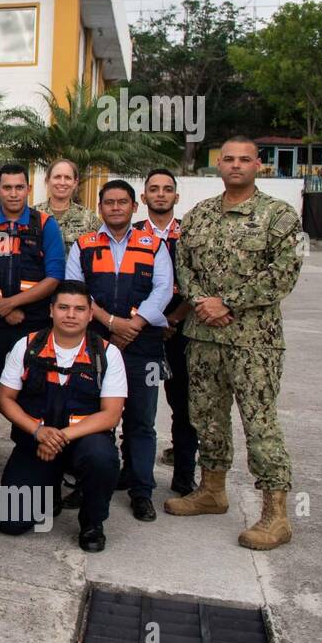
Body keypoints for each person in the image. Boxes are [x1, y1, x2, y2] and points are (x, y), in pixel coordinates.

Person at [165, 136, 302, 551]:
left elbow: (285, 272)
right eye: (229, 159)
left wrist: (227, 302)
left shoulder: (279, 216)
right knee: (207, 417)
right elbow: (182, 264)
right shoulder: (200, 215)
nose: (236, 165)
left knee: (260, 424)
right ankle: (212, 490)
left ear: (258, 165)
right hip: (204, 338)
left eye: (245, 159)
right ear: (218, 165)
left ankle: (276, 514)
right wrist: (202, 304)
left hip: (253, 342)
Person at [66, 179, 172, 522]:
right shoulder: (83, 245)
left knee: (142, 420)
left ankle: (142, 491)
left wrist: (135, 324)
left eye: (122, 202)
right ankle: (89, 482)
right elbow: (76, 292)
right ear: (100, 207)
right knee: (93, 416)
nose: (115, 207)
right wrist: (112, 323)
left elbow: (163, 290)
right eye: (109, 202)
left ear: (133, 207)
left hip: (146, 346)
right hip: (95, 342)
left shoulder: (154, 245)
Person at [0, 281, 125, 552]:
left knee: (103, 459)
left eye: (79, 309)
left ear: (90, 314)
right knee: (10, 522)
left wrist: (61, 436)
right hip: (36, 443)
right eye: (63, 307)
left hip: (82, 442)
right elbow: (5, 399)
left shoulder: (107, 353)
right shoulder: (27, 346)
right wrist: (38, 432)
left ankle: (92, 522)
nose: (71, 314)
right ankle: (48, 491)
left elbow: (111, 415)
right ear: (51, 310)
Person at [0, 163, 65, 382]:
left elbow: (54, 276)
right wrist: (2, 308)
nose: (13, 193)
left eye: (19, 187)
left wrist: (12, 303)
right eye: (7, 187)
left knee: (33, 387)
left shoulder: (45, 224)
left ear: (28, 189)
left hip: (33, 321)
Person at [135, 168, 198, 495]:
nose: (160, 194)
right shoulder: (130, 234)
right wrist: (148, 321)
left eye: (167, 189)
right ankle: (130, 470)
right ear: (144, 197)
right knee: (134, 405)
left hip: (181, 332)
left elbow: (201, 282)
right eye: (154, 189)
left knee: (184, 404)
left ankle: (185, 475)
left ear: (176, 196)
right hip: (142, 332)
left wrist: (173, 319)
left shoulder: (190, 234)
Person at [34, 158, 102, 252]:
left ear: (75, 183)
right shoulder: (33, 215)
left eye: (67, 178)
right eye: (57, 177)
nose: (62, 182)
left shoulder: (89, 218)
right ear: (47, 180)